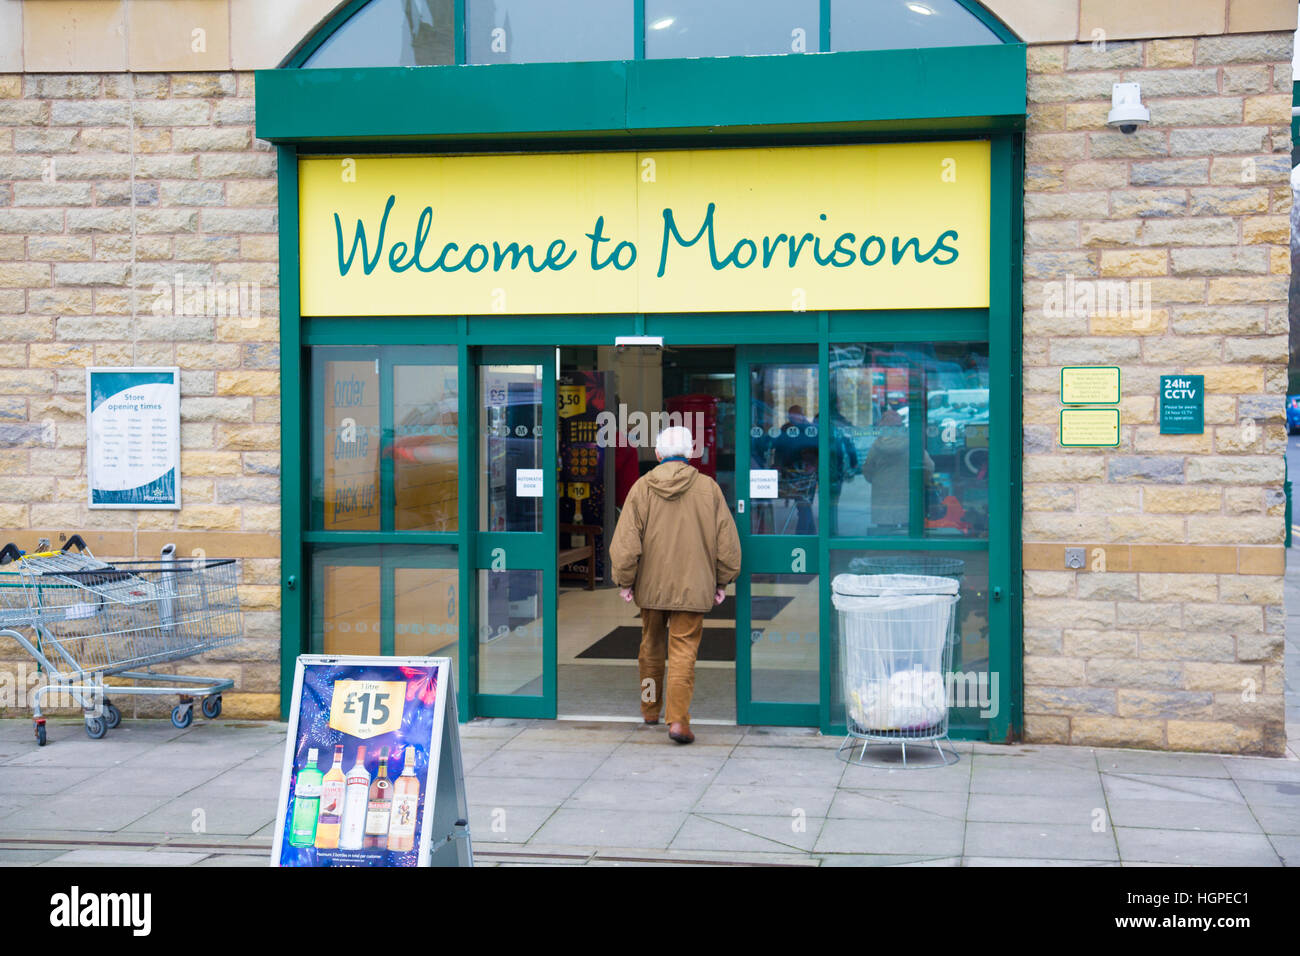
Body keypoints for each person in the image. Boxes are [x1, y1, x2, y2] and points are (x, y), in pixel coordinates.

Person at [609, 425, 741, 744]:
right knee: (683, 652)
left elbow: (625, 544)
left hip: (651, 588)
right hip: (693, 587)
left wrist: (625, 581)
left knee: (650, 647)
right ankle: (679, 721)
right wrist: (722, 579)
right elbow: (727, 544)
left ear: (657, 454)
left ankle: (650, 708)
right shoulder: (708, 489)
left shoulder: (641, 488)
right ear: (692, 452)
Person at [860, 408, 934, 530]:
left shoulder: (876, 447)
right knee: (910, 533)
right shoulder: (913, 445)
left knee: (885, 534)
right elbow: (929, 466)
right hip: (908, 496)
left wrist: (877, 481)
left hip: (882, 498)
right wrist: (922, 481)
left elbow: (867, 471)